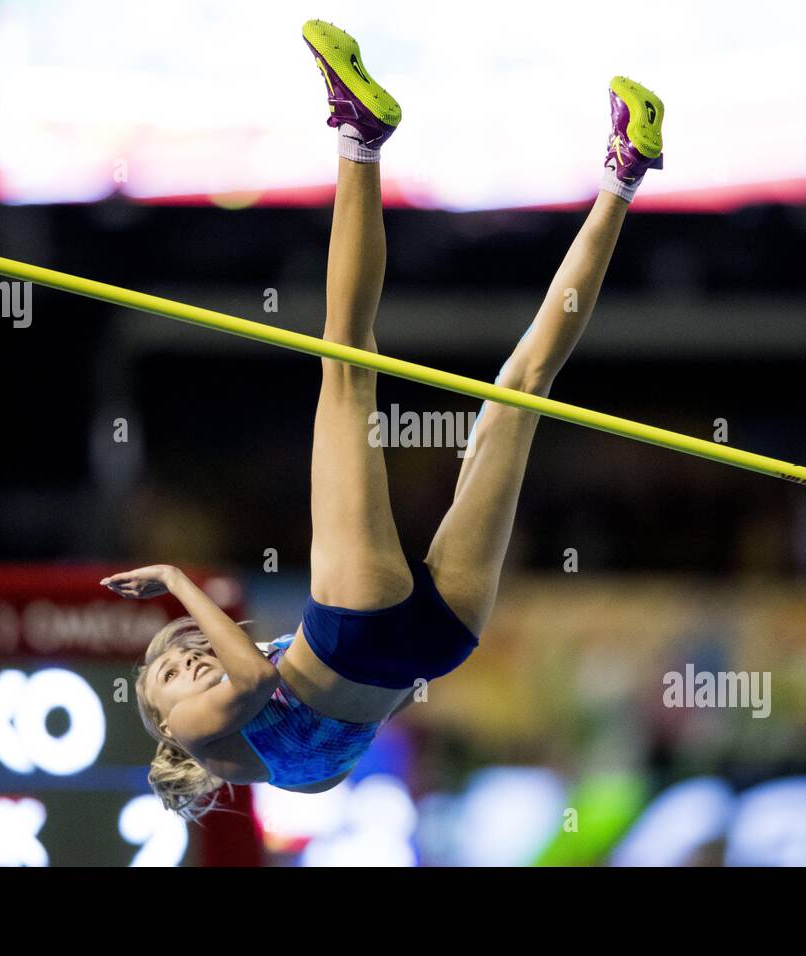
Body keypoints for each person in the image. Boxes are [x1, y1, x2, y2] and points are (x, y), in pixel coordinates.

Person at [108, 19, 664, 820]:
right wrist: (173, 583)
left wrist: (370, 666)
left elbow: (354, 709)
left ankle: (625, 173)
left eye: (183, 658)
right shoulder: (195, 734)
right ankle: (357, 137)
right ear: (163, 724)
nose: (188, 666)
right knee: (346, 363)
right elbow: (262, 681)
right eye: (170, 675)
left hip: (432, 644)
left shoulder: (295, 776)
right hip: (361, 630)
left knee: (523, 389)